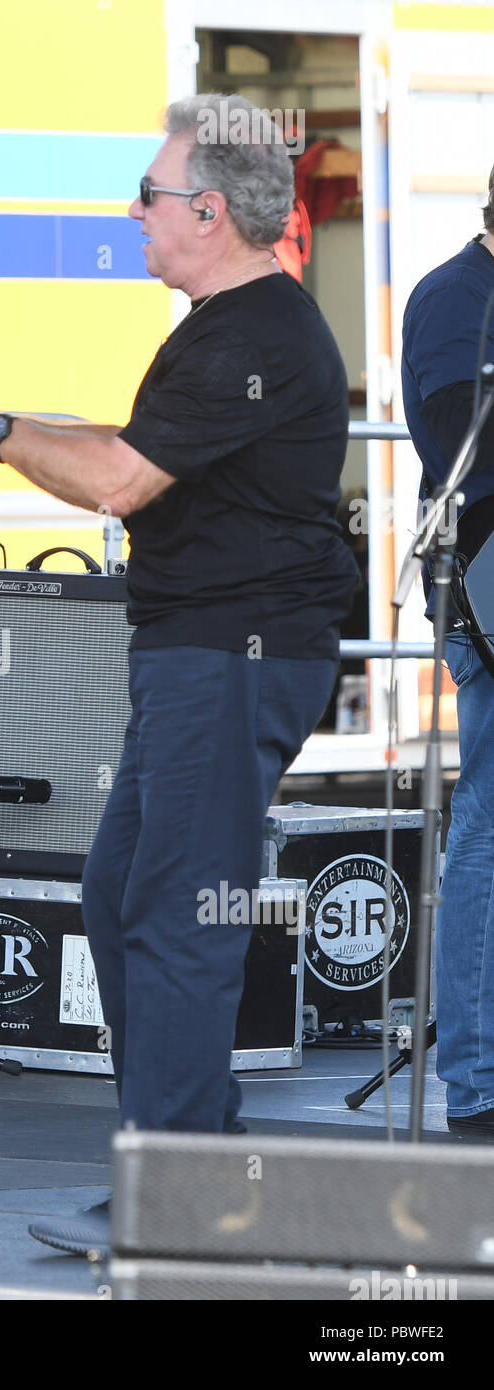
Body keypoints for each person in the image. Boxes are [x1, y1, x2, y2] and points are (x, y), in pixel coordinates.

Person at [0, 93, 358, 1255]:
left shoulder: (254, 336)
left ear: (208, 212)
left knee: (170, 915)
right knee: (126, 900)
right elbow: (134, 457)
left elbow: (120, 480)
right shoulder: (228, 329)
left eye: (150, 194)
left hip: (231, 658)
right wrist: (7, 429)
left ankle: (181, 1198)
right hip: (203, 657)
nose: (134, 211)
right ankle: (197, 1165)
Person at [401, 163, 494, 1138]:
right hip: (484, 589)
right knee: (489, 824)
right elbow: (465, 449)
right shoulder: (451, 302)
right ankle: (476, 1077)